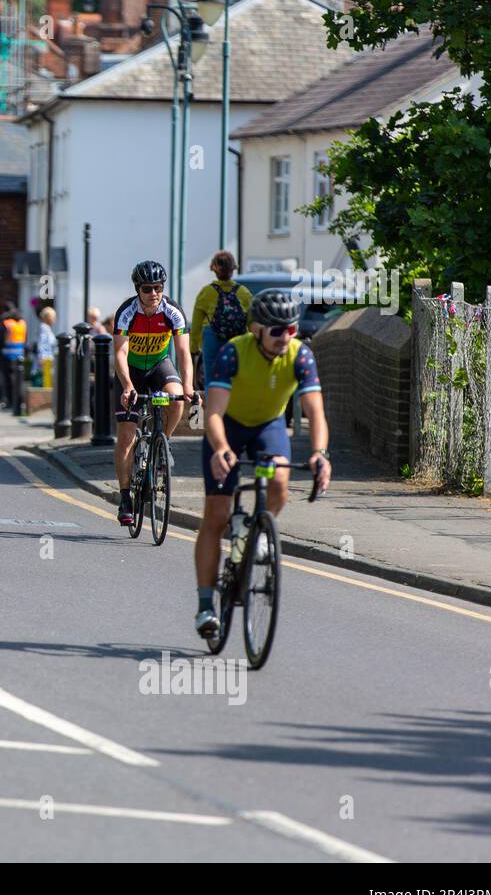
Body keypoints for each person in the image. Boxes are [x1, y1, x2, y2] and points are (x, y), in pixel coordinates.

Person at [193, 289, 331, 638]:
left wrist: (319, 454)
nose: (285, 337)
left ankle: (257, 535)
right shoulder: (232, 353)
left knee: (280, 485)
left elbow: (315, 412)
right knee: (217, 514)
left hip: (268, 425)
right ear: (256, 329)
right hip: (228, 427)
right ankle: (207, 604)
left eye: (291, 329)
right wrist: (222, 449)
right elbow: (213, 414)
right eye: (276, 331)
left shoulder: (301, 356)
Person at [112, 260, 195, 525]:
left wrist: (190, 387)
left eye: (158, 287)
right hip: (132, 370)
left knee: (177, 396)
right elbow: (120, 352)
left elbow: (183, 353)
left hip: (160, 364)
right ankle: (125, 497)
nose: (153, 294)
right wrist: (127, 386)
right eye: (147, 289)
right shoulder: (127, 312)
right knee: (126, 435)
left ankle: (163, 443)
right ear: (138, 289)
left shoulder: (173, 311)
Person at [191, 250, 253, 390]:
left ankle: (214, 410)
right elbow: (252, 323)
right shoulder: (244, 292)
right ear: (233, 269)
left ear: (214, 269)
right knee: (237, 377)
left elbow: (196, 325)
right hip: (238, 339)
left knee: (211, 379)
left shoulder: (206, 292)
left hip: (212, 337)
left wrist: (194, 348)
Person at [0, 308, 27, 405]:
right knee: (18, 380)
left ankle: (10, 401)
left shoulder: (7, 324)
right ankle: (19, 402)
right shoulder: (22, 324)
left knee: (8, 380)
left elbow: (0, 341)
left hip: (8, 355)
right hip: (20, 355)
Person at [35, 306, 58, 385]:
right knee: (46, 385)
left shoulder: (46, 328)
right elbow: (42, 343)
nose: (55, 319)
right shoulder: (44, 328)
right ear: (49, 317)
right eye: (54, 317)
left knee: (47, 384)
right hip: (46, 360)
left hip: (47, 360)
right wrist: (42, 358)